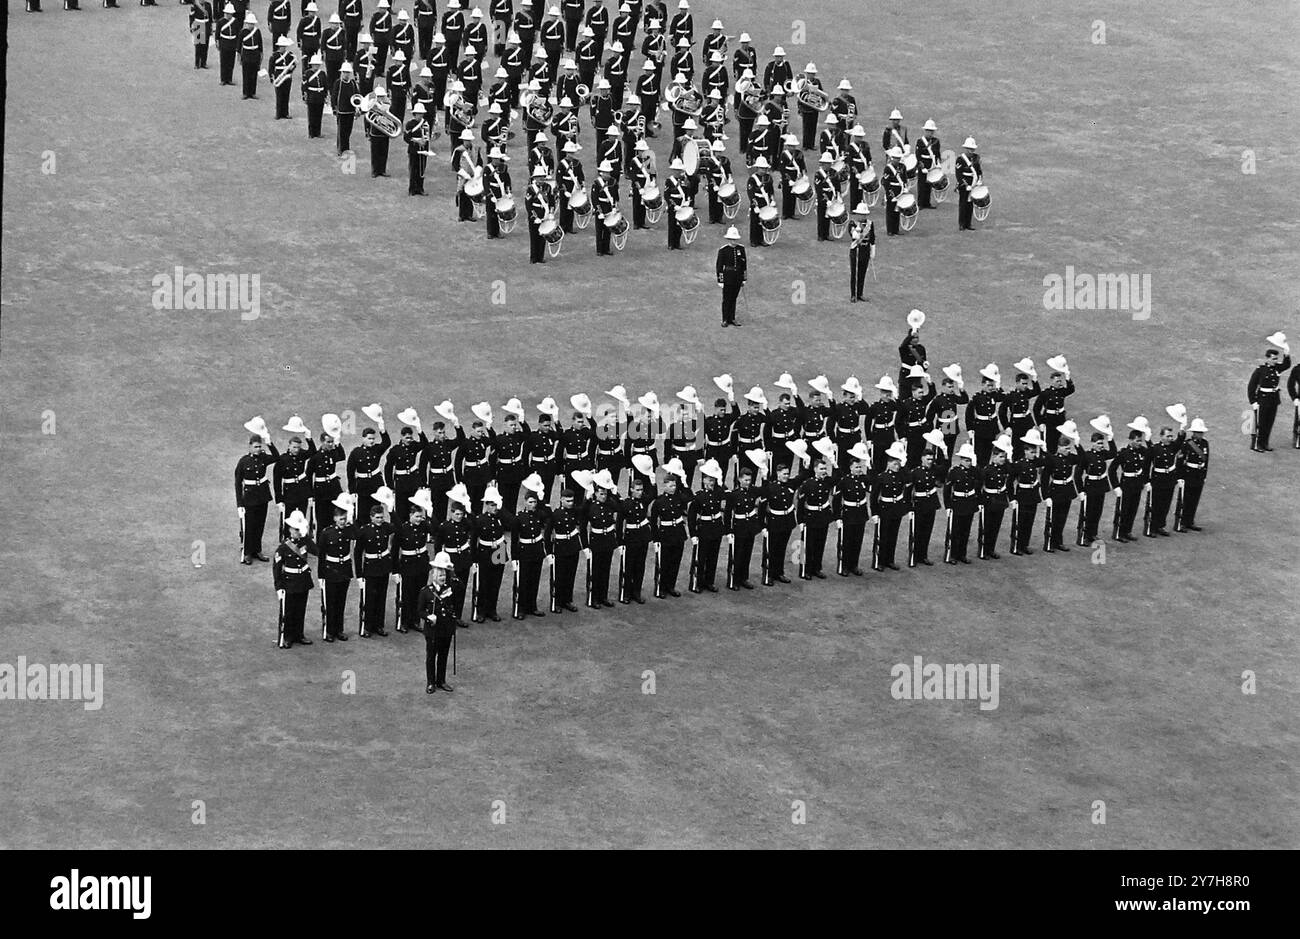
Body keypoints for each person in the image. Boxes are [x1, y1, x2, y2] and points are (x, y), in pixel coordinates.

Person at [274, 511, 317, 648]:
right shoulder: (283, 547)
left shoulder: (304, 542)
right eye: (296, 530)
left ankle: (299, 634)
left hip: (303, 580)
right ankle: (287, 636)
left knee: (300, 609)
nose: (298, 532)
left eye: (300, 529)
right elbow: (276, 568)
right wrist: (279, 587)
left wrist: (307, 537)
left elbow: (317, 551)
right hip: (289, 581)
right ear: (290, 529)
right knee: (289, 611)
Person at [236, 429, 280, 564]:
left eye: (260, 446)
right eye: (255, 446)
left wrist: (269, 442)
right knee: (250, 525)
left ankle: (257, 549)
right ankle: (248, 552)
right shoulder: (243, 462)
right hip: (249, 498)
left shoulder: (263, 458)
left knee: (260, 524)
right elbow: (238, 484)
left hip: (262, 496)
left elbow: (276, 457)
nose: (258, 449)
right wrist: (240, 504)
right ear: (249, 447)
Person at [394, 492, 435, 632]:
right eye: (416, 516)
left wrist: (429, 514)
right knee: (407, 595)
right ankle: (405, 621)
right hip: (408, 564)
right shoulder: (403, 529)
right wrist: (395, 570)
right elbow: (394, 551)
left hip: (422, 564)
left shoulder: (424, 525)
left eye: (420, 516)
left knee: (419, 594)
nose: (419, 519)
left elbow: (435, 529)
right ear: (410, 516)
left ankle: (416, 620)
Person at [316, 497, 356, 641]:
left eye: (344, 519)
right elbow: (321, 555)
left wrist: (351, 519)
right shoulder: (326, 533)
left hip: (344, 569)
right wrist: (321, 576)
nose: (343, 522)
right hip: (331, 571)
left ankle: (339, 629)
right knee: (330, 603)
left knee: (341, 602)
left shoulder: (349, 530)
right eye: (341, 519)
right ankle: (329, 631)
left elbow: (356, 534)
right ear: (334, 518)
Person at [354, 500, 395, 637]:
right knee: (369, 599)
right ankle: (367, 626)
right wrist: (359, 575)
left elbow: (399, 528)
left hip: (383, 567)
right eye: (377, 517)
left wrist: (392, 511)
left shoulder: (386, 527)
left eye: (382, 517)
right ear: (371, 517)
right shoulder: (364, 531)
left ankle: (379, 625)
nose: (380, 520)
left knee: (381, 597)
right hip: (370, 568)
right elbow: (357, 553)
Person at [420, 552, 459, 693]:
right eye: (440, 576)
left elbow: (459, 587)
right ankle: (431, 682)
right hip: (432, 630)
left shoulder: (449, 588)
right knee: (431, 656)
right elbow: (420, 611)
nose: (443, 578)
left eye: (444, 575)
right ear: (434, 576)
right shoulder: (426, 592)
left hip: (446, 628)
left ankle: (441, 680)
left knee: (443, 656)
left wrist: (452, 571)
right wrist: (428, 617)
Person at [1108, 422, 1151, 543]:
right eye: (1137, 441)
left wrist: (1148, 439)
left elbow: (1151, 453)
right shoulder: (1123, 453)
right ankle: (1118, 533)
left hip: (1137, 484)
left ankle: (1127, 531)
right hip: (1126, 485)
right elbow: (1112, 470)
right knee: (1123, 510)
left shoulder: (1142, 451)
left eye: (1140, 441)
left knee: (1133, 509)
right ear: (1131, 440)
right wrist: (1116, 486)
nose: (1139, 443)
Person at [1248, 334, 1292, 451]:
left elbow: (1287, 364)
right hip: (1263, 399)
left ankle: (1265, 443)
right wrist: (1253, 401)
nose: (1275, 361)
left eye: (1276, 359)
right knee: (1260, 423)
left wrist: (1286, 352)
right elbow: (1251, 387)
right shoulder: (1260, 370)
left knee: (1269, 423)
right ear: (1267, 358)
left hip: (1273, 399)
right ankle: (1256, 444)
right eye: (1273, 359)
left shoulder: (1276, 368)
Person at [472, 487, 508, 622]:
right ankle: (481, 610)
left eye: (496, 504)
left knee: (496, 582)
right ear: (486, 505)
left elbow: (512, 523)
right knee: (484, 582)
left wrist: (502, 508)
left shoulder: (501, 516)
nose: (494, 507)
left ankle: (492, 609)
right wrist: (474, 558)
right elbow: (474, 539)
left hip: (500, 550)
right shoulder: (480, 519)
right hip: (485, 551)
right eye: (492, 505)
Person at [584, 472, 621, 606]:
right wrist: (586, 545)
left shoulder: (610, 503)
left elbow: (620, 508)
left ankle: (603, 596)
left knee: (606, 569)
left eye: (605, 494)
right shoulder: (590, 506)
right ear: (595, 494)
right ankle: (593, 598)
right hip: (596, 540)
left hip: (608, 540)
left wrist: (615, 493)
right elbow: (582, 524)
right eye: (601, 494)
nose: (604, 496)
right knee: (595, 571)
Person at [796, 454, 835, 578]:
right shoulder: (807, 484)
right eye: (821, 469)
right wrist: (801, 521)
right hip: (810, 517)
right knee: (808, 545)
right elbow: (800, 504)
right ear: (815, 469)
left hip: (823, 516)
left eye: (825, 469)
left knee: (820, 543)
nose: (824, 471)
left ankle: (816, 568)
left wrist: (834, 464)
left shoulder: (827, 481)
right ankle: (805, 570)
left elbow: (839, 477)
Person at [943, 444, 980, 563]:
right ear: (961, 459)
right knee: (955, 531)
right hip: (957, 503)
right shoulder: (954, 472)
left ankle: (962, 554)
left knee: (966, 530)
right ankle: (953, 555)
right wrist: (948, 506)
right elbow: (947, 490)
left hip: (969, 502)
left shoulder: (974, 471)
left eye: (970, 460)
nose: (968, 463)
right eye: (966, 460)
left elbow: (980, 481)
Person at [979, 434, 1013, 559]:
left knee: (996, 526)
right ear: (993, 457)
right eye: (1000, 457)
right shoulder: (987, 470)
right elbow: (980, 486)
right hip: (989, 500)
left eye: (1003, 457)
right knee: (986, 527)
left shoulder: (1005, 468)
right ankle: (983, 550)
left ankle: (991, 549)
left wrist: (1009, 455)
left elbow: (1012, 470)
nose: (1003, 459)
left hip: (1000, 500)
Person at [1178, 418, 1210, 531]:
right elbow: (1180, 461)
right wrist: (1180, 477)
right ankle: (1182, 521)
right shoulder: (1187, 444)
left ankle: (1190, 521)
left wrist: (1204, 475)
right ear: (1194, 433)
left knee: (1195, 499)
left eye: (1201, 432)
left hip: (1199, 475)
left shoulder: (1205, 443)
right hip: (1189, 474)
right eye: (1198, 432)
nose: (1201, 434)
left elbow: (1206, 460)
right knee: (1186, 499)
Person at [715, 226, 746, 326]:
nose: (734, 241)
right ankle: (725, 319)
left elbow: (744, 264)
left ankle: (732, 318)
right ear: (729, 239)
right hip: (728, 277)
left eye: (735, 239)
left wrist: (744, 278)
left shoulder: (741, 249)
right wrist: (720, 280)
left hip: (738, 277)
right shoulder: (723, 250)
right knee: (726, 299)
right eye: (732, 239)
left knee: (734, 298)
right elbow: (719, 266)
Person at [847, 203, 875, 302]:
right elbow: (853, 234)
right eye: (860, 214)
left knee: (862, 273)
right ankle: (853, 295)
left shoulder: (870, 224)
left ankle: (860, 293)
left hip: (865, 252)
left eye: (864, 214)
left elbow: (872, 239)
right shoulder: (852, 223)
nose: (862, 216)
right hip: (856, 251)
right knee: (855, 273)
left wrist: (872, 251)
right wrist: (856, 232)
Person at [955, 137, 980, 231]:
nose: (971, 151)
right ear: (965, 149)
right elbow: (958, 174)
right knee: (963, 204)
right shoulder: (960, 159)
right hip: (964, 185)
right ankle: (961, 224)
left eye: (973, 149)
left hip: (973, 183)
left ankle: (968, 223)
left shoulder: (976, 158)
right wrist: (965, 185)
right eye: (969, 149)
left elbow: (978, 170)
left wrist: (979, 180)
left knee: (970, 204)